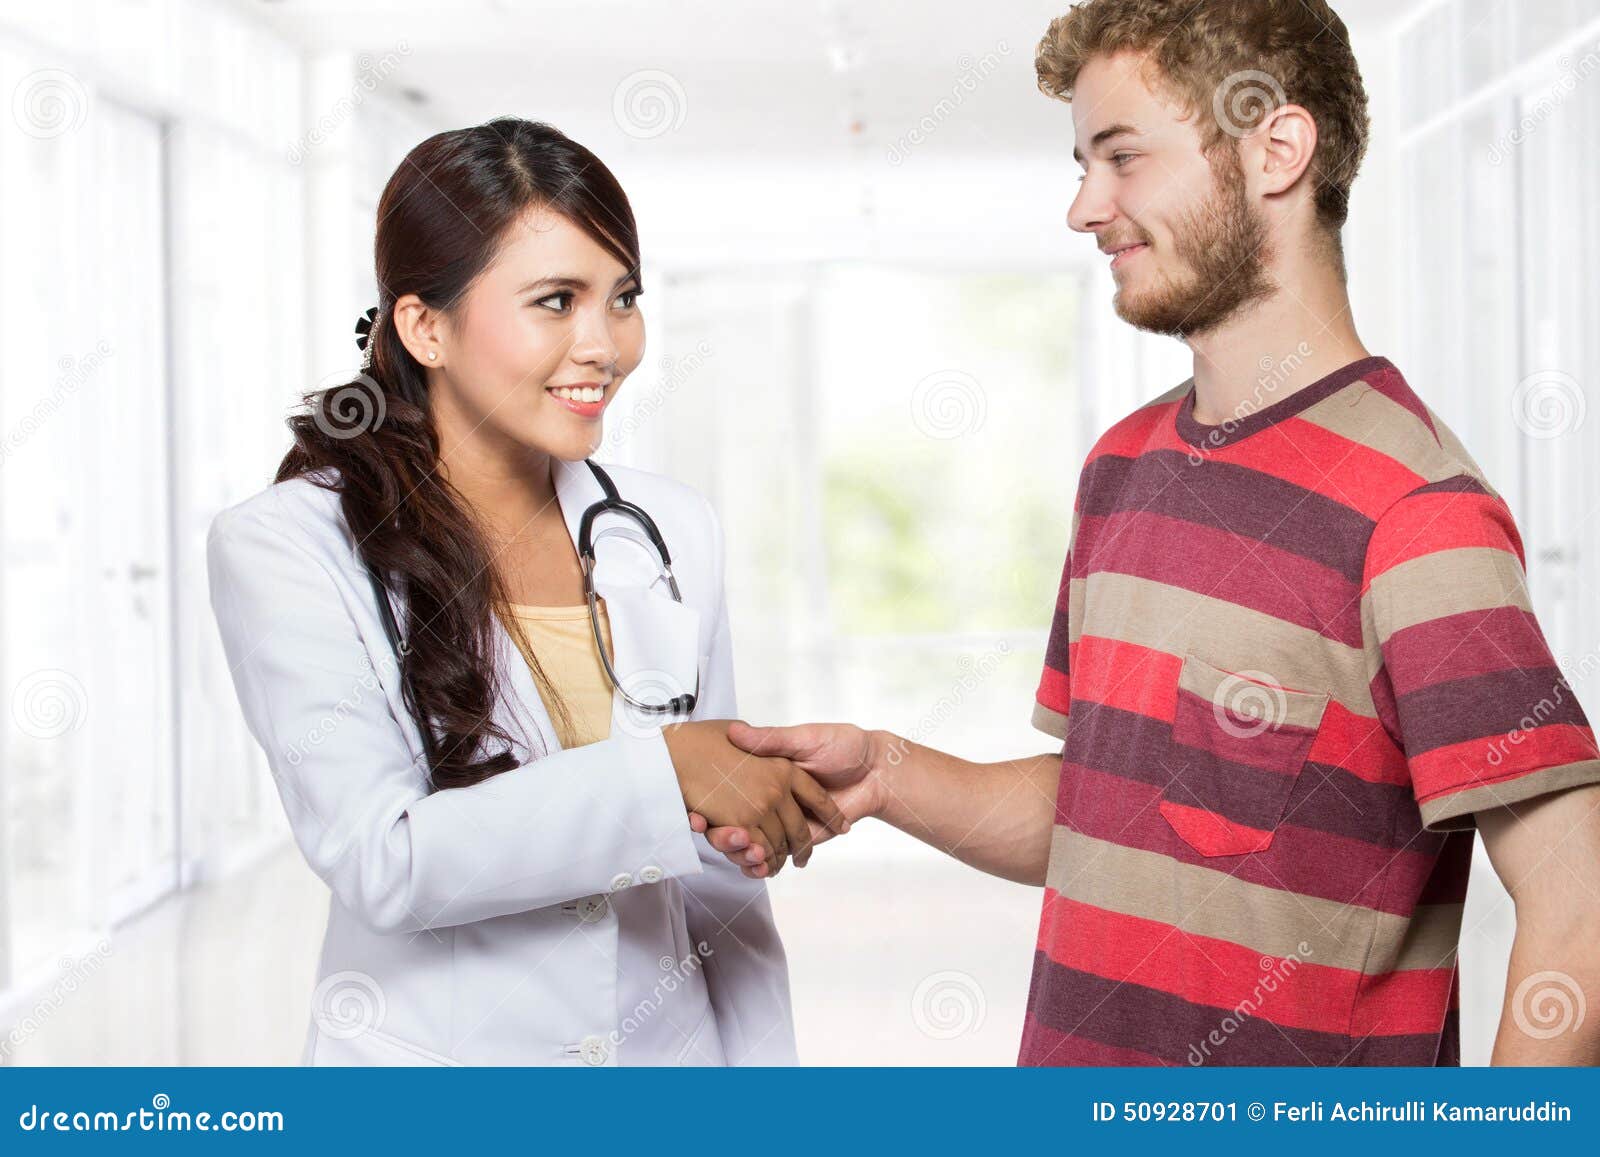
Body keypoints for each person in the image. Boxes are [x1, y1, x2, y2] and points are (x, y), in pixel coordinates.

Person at [699, 0, 1600, 1066]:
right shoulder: (1123, 465)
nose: (1086, 207)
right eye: (1081, 163)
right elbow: (1105, 812)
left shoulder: (1413, 509)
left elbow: (1575, 899)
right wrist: (888, 772)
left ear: (1277, 149)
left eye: (1121, 157)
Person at [207, 118, 845, 1067]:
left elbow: (719, 880)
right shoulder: (286, 544)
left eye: (622, 298)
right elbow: (385, 859)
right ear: (426, 326)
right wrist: (668, 772)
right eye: (556, 300)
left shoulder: (673, 530)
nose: (606, 345)